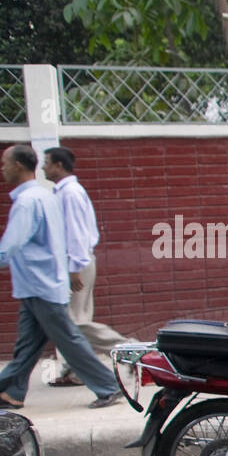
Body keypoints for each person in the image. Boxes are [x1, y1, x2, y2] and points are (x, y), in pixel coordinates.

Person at [0, 144, 121, 409]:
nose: (2, 169)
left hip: (41, 283)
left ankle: (109, 384)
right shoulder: (47, 196)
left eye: (4, 163)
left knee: (71, 338)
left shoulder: (30, 201)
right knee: (28, 345)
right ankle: (14, 391)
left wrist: (74, 268)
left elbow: (12, 245)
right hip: (38, 285)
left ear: (19, 165)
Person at [43, 146, 131, 386]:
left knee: (74, 322)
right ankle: (75, 371)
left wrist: (74, 269)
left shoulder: (69, 193)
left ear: (59, 166)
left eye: (47, 162)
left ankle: (129, 349)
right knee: (77, 319)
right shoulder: (65, 191)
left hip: (76, 263)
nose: (43, 167)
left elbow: (77, 234)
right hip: (76, 262)